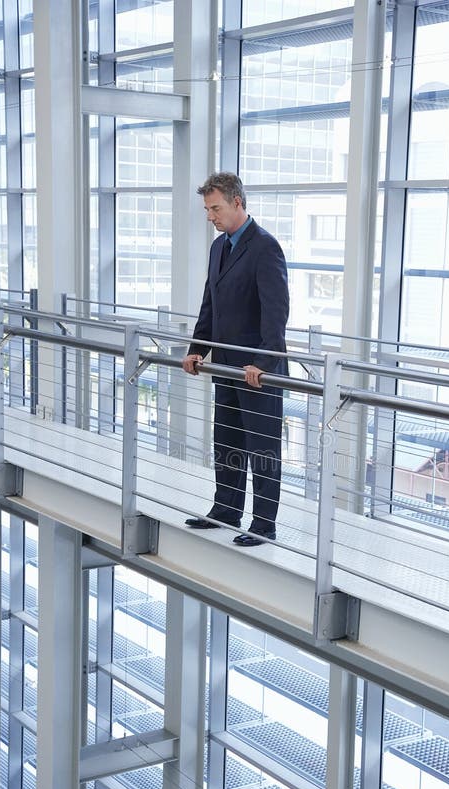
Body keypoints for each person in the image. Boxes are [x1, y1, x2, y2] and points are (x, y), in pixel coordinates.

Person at [182, 172, 290, 547]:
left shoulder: (265, 247)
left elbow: (276, 314)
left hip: (257, 370)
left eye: (216, 208)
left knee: (261, 448)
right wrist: (197, 349)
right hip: (225, 364)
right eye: (208, 209)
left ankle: (264, 525)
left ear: (237, 203)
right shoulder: (219, 248)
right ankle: (225, 511)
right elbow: (209, 304)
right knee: (226, 440)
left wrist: (265, 363)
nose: (211, 216)